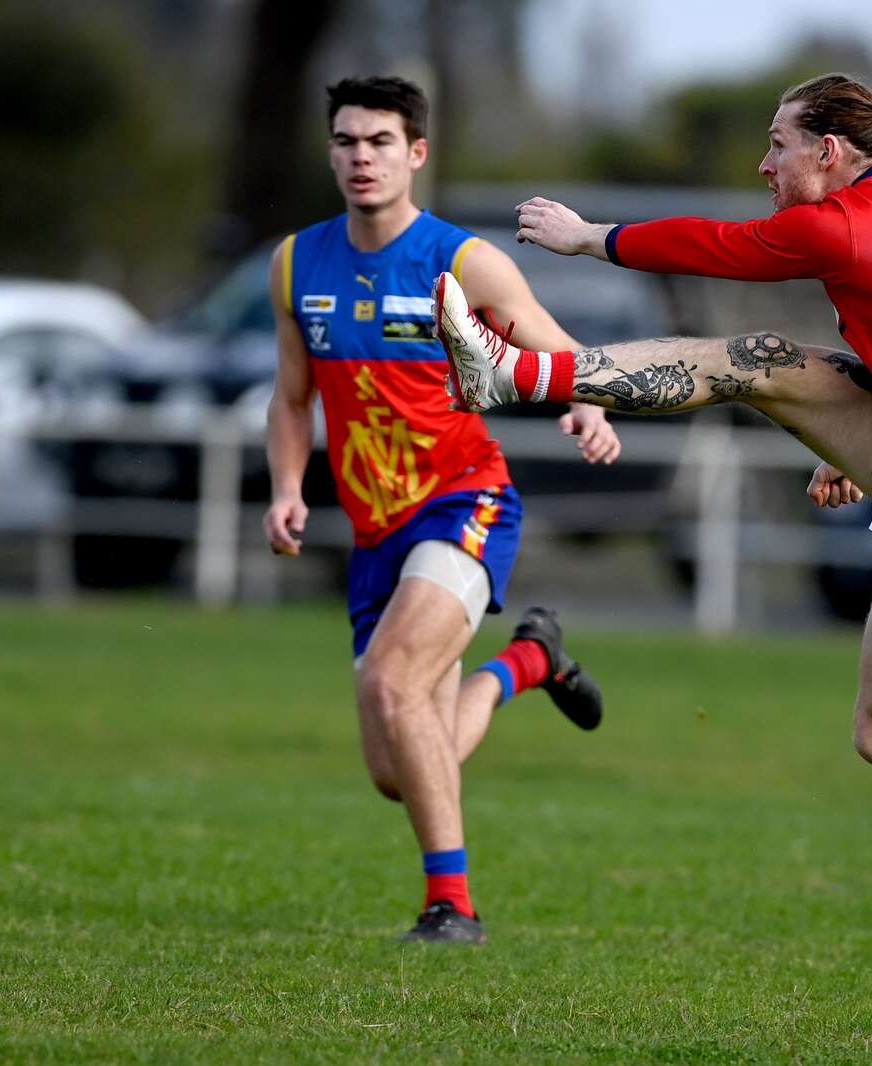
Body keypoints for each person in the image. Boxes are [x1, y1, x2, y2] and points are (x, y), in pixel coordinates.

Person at [437, 73, 872, 1022]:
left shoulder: (844, 223)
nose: (764, 163)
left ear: (830, 149)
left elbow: (720, 246)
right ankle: (517, 372)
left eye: (779, 143)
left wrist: (588, 238)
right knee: (742, 361)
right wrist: (869, 443)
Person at [262, 75, 620, 943]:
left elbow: (551, 338)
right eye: (346, 141)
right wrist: (284, 487)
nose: (360, 157)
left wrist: (588, 400)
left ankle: (451, 906)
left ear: (415, 153)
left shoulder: (463, 263)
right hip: (376, 530)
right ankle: (525, 666)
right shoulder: (294, 263)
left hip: (467, 502)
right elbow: (289, 397)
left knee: (395, 683)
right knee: (396, 764)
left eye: (379, 141)